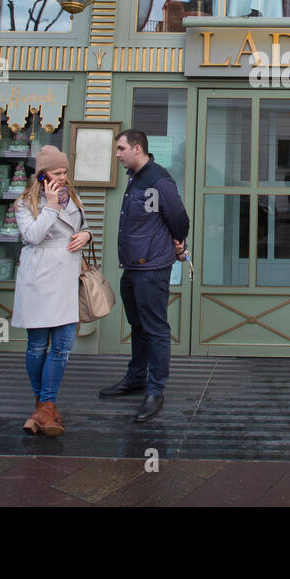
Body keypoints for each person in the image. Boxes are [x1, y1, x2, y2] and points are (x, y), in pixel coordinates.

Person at [100, 129, 189, 422]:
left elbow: (178, 216)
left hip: (152, 269)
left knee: (156, 329)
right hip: (133, 268)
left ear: (137, 149)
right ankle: (136, 378)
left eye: (121, 148)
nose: (117, 154)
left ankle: (155, 390)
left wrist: (179, 240)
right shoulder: (135, 177)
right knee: (138, 325)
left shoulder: (158, 178)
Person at [13, 145, 92, 436]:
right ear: (42, 175)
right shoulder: (23, 203)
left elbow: (84, 224)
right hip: (39, 278)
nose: (63, 177)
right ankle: (44, 405)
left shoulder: (71, 195)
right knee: (37, 345)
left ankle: (43, 407)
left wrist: (87, 234)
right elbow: (32, 236)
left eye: (65, 172)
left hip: (67, 277)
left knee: (62, 346)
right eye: (57, 172)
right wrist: (50, 206)